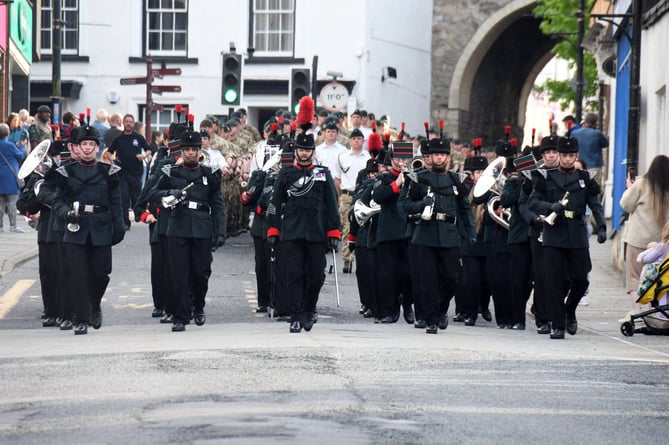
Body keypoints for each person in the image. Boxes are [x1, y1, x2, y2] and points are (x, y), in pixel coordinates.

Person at [266, 98, 341, 333]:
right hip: (292, 232)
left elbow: (332, 204)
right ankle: (296, 315)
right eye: (301, 149)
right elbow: (275, 204)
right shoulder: (286, 174)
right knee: (294, 275)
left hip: (317, 233)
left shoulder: (322, 174)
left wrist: (333, 231)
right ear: (296, 151)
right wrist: (273, 229)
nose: (304, 153)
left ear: (312, 152)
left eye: (308, 150)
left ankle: (309, 308)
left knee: (316, 276)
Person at [529, 136, 606, 339]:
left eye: (571, 155)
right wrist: (549, 207)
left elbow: (595, 204)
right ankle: (557, 325)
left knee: (581, 279)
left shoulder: (585, 178)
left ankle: (569, 310)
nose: (567, 159)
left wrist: (603, 226)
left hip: (578, 232)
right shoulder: (545, 177)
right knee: (554, 281)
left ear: (576, 156)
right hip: (554, 232)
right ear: (560, 155)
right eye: (564, 155)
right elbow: (533, 202)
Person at [150, 130, 226, 332]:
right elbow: (154, 193)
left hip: (202, 227)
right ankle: (180, 315)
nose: (190, 153)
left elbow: (218, 204)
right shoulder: (171, 172)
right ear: (181, 151)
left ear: (200, 151)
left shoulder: (209, 174)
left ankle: (198, 306)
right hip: (178, 226)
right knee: (178, 273)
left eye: (194, 149)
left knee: (200, 272)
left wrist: (220, 231)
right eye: (187, 150)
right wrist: (169, 192)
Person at [52, 125, 125, 335]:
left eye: (91, 144)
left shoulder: (108, 171)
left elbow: (116, 202)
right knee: (77, 275)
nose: (86, 148)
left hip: (101, 226)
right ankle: (81, 319)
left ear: (96, 147)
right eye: (83, 144)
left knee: (100, 274)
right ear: (78, 146)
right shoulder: (67, 172)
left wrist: (118, 227)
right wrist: (66, 213)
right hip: (76, 228)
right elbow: (59, 201)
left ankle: (95, 304)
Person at [398, 136, 475, 334]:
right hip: (424, 234)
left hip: (449, 235)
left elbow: (465, 208)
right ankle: (431, 319)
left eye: (442, 154)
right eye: (435, 154)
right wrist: (421, 205)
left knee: (451, 277)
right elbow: (403, 206)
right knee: (428, 280)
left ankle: (440, 309)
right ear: (429, 156)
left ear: (447, 157)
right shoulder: (417, 178)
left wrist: (470, 233)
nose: (439, 158)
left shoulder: (455, 180)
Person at [620, 155, 669, 309]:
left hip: (637, 239)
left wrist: (629, 187)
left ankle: (636, 312)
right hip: (661, 243)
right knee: (657, 278)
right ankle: (653, 313)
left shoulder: (641, 184)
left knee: (634, 278)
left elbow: (625, 204)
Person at [334, 128, 370, 273]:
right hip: (347, 195)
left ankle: (361, 258)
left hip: (363, 195)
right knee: (347, 228)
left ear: (363, 140)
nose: (356, 141)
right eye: (354, 139)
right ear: (350, 141)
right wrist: (338, 197)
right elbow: (337, 179)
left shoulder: (368, 157)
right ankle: (347, 258)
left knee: (364, 227)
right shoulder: (342, 156)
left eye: (359, 139)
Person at [108, 114, 152, 230]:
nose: (128, 124)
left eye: (130, 122)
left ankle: (138, 214)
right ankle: (125, 222)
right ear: (123, 123)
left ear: (133, 124)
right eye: (126, 121)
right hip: (122, 173)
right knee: (124, 198)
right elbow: (109, 152)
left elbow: (149, 149)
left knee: (136, 196)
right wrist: (111, 161)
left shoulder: (138, 138)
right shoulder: (118, 139)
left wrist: (143, 156)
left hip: (136, 172)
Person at [0, 123, 27, 232]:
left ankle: (0, 226)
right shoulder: (10, 146)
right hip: (10, 177)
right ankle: (13, 226)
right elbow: (21, 156)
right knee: (12, 202)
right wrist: (23, 146)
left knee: (0, 203)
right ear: (8, 133)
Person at [571, 113, 608, 188]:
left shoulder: (574, 133)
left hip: (579, 165)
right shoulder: (597, 134)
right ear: (595, 123)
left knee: (580, 186)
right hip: (594, 166)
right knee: (594, 187)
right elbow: (605, 144)